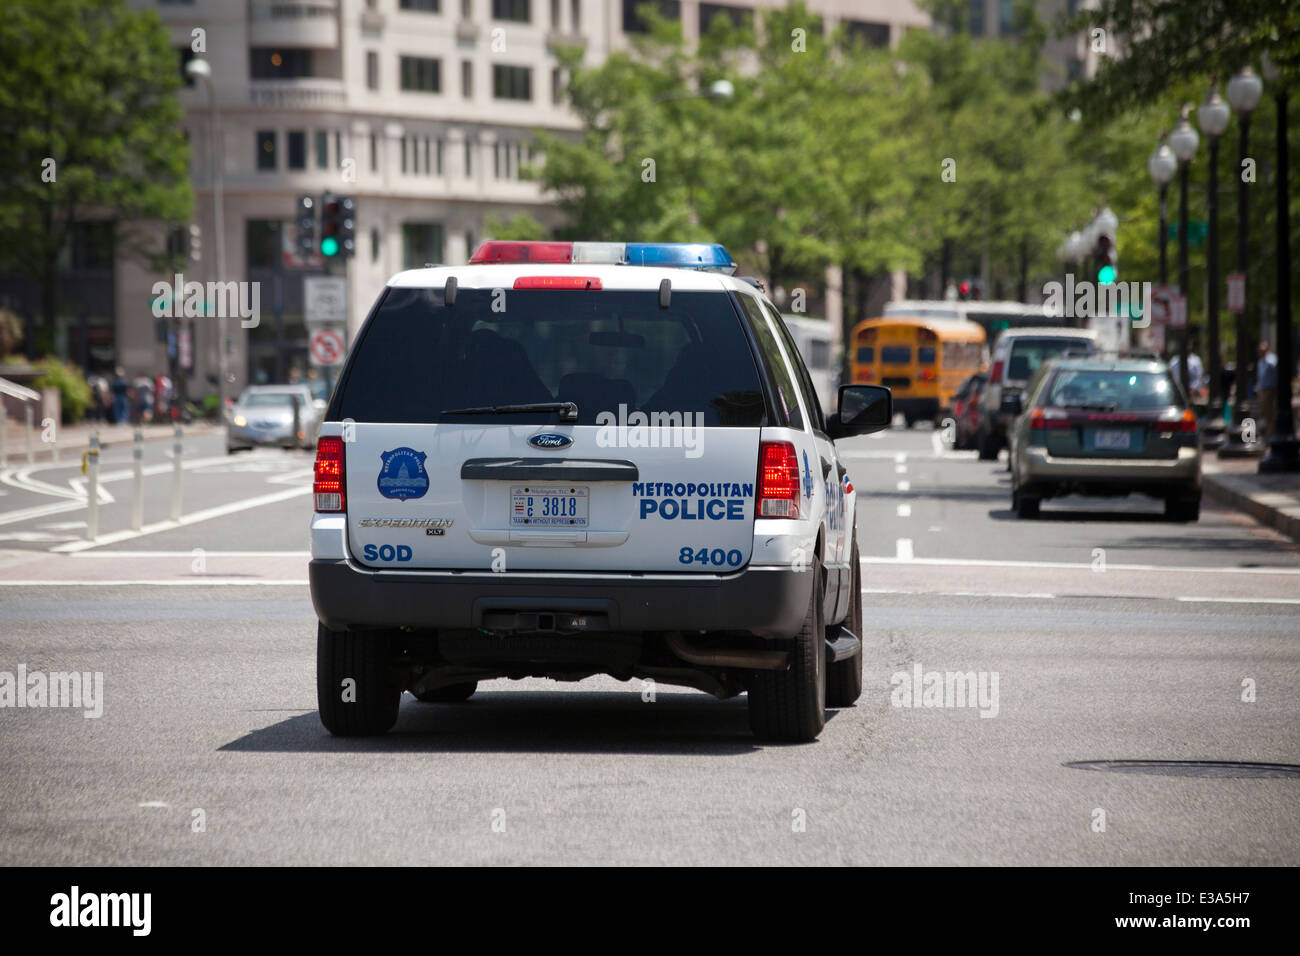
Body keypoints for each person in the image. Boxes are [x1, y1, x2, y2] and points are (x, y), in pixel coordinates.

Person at [1256, 340, 1278, 441]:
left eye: (1262, 349)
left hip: (1271, 390)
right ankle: (1267, 435)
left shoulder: (1271, 360)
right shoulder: (1261, 361)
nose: (1260, 351)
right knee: (1264, 413)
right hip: (1263, 389)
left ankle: (1271, 435)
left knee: (1270, 413)